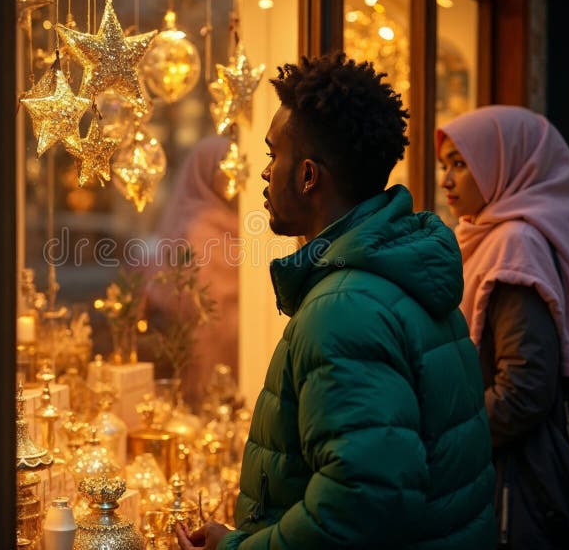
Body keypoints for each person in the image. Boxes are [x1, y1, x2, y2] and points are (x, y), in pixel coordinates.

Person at [176, 53, 496, 550]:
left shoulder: (345, 307)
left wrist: (235, 548)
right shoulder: (395, 270)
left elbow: (362, 503)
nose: (263, 174)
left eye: (271, 154)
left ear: (307, 176)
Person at [436, 105, 569, 549]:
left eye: (460, 165)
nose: (447, 180)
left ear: (503, 164)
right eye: (445, 166)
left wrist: (446, 442)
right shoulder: (500, 235)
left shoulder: (514, 245)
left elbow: (525, 388)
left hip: (513, 485)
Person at [142, 135, 239, 410]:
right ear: (205, 172)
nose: (232, 177)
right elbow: (177, 296)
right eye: (224, 168)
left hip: (245, 347)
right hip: (207, 355)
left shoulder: (241, 223)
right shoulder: (196, 228)